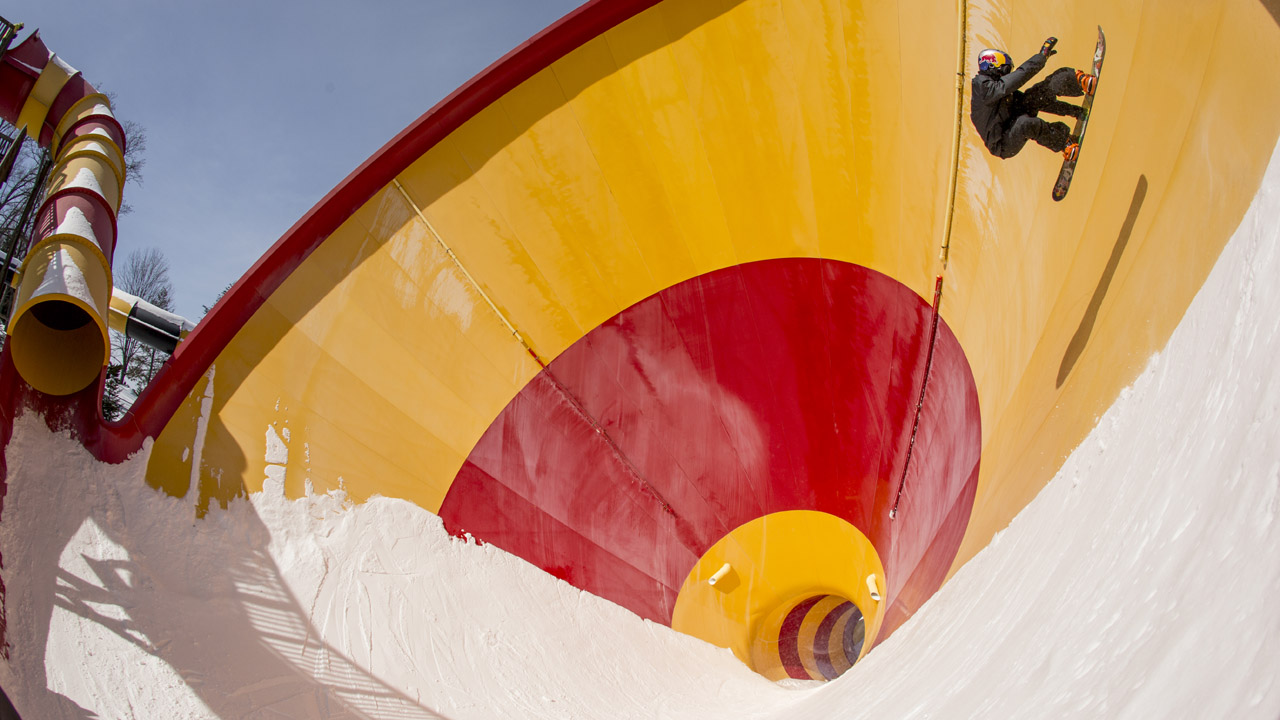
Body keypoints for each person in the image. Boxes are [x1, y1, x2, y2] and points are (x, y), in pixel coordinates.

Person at [971, 38, 1097, 161]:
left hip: (1014, 120)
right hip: (1003, 144)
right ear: (995, 66)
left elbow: (1041, 102)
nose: (1008, 73)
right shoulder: (983, 88)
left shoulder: (998, 93)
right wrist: (1041, 57)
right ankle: (1064, 143)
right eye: (1007, 69)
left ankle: (1080, 81)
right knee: (1025, 123)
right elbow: (1020, 76)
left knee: (1038, 94)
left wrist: (1075, 111)